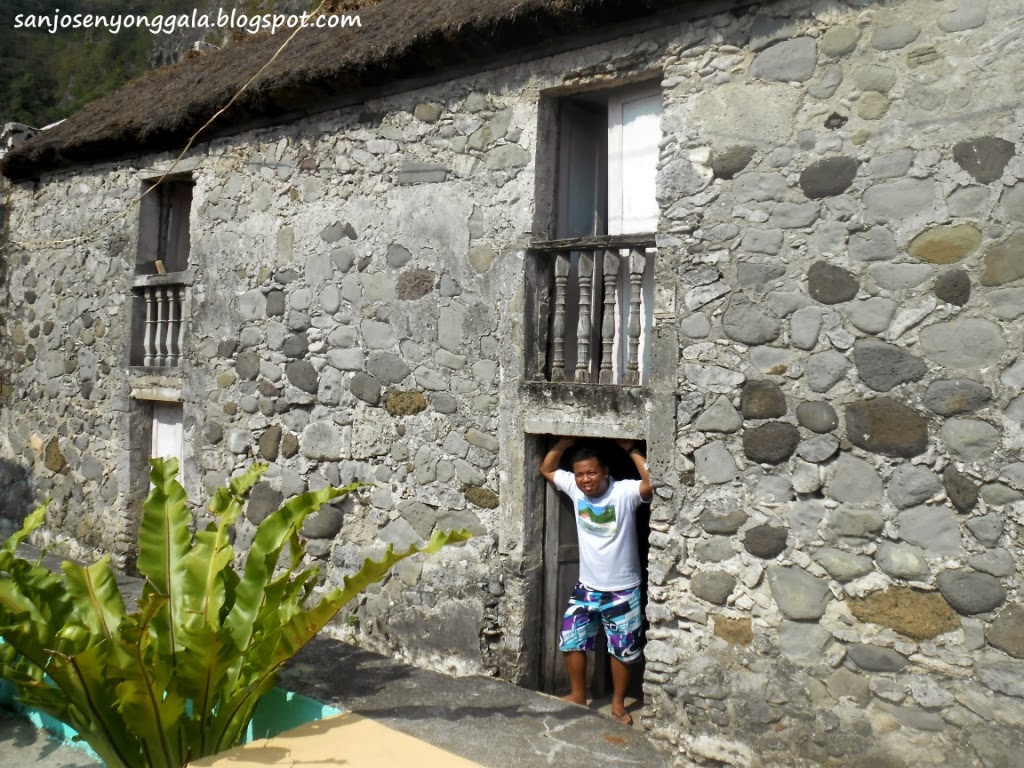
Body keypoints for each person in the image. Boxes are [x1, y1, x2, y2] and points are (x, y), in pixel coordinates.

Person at [539, 436, 653, 726]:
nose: (585, 480)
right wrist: (565, 442)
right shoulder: (575, 489)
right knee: (571, 639)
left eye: (591, 473)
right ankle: (579, 695)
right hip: (587, 587)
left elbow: (652, 483)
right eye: (580, 474)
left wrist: (631, 450)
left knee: (622, 649)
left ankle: (618, 705)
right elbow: (547, 470)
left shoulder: (623, 492)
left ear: (605, 472)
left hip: (623, 589)